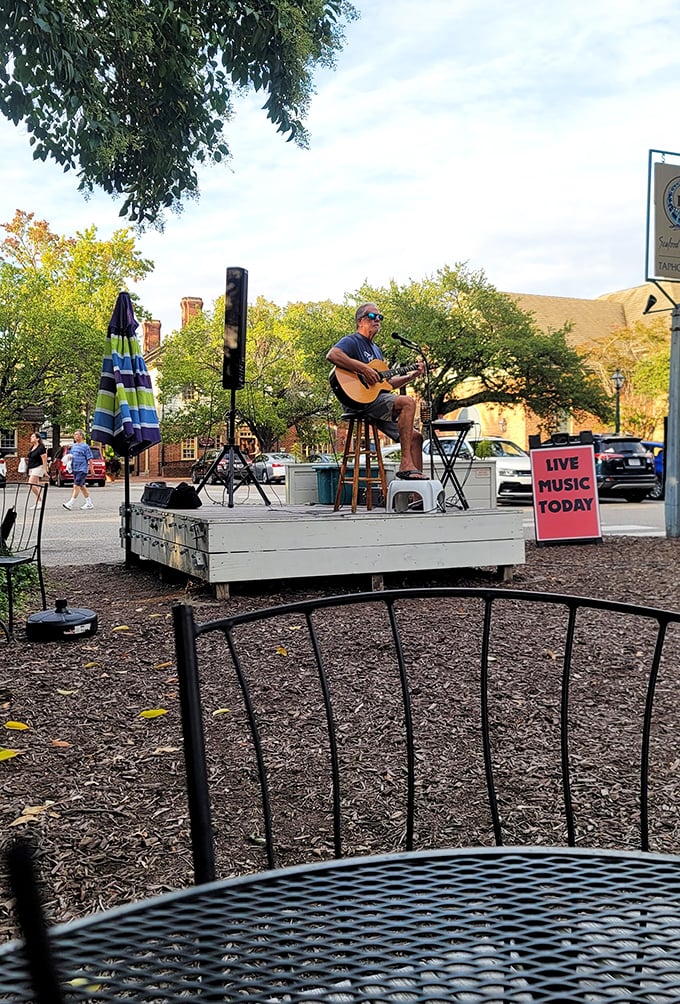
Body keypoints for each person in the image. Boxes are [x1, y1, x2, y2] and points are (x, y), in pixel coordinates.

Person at [327, 303, 426, 479]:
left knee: (416, 438)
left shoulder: (376, 350)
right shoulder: (352, 341)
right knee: (408, 402)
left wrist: (411, 376)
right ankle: (405, 463)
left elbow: (386, 385)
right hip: (358, 402)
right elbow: (333, 355)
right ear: (360, 321)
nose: (377, 320)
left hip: (377, 403)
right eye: (372, 316)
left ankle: (416, 491)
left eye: (380, 317)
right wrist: (364, 369)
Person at [62, 430, 95, 511]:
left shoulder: (85, 446)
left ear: (81, 436)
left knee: (76, 485)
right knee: (82, 486)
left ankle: (70, 503)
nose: (75, 436)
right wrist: (69, 459)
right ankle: (89, 503)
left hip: (82, 469)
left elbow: (90, 458)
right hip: (75, 469)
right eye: (74, 434)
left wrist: (92, 469)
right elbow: (72, 455)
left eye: (76, 434)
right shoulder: (73, 446)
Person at [27, 431, 47, 504]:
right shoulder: (32, 447)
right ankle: (38, 502)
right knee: (36, 484)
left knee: (30, 483)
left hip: (38, 467)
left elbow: (44, 459)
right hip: (31, 467)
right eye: (31, 436)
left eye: (33, 437)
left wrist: (44, 470)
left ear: (38, 439)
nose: (31, 438)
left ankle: (40, 500)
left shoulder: (41, 447)